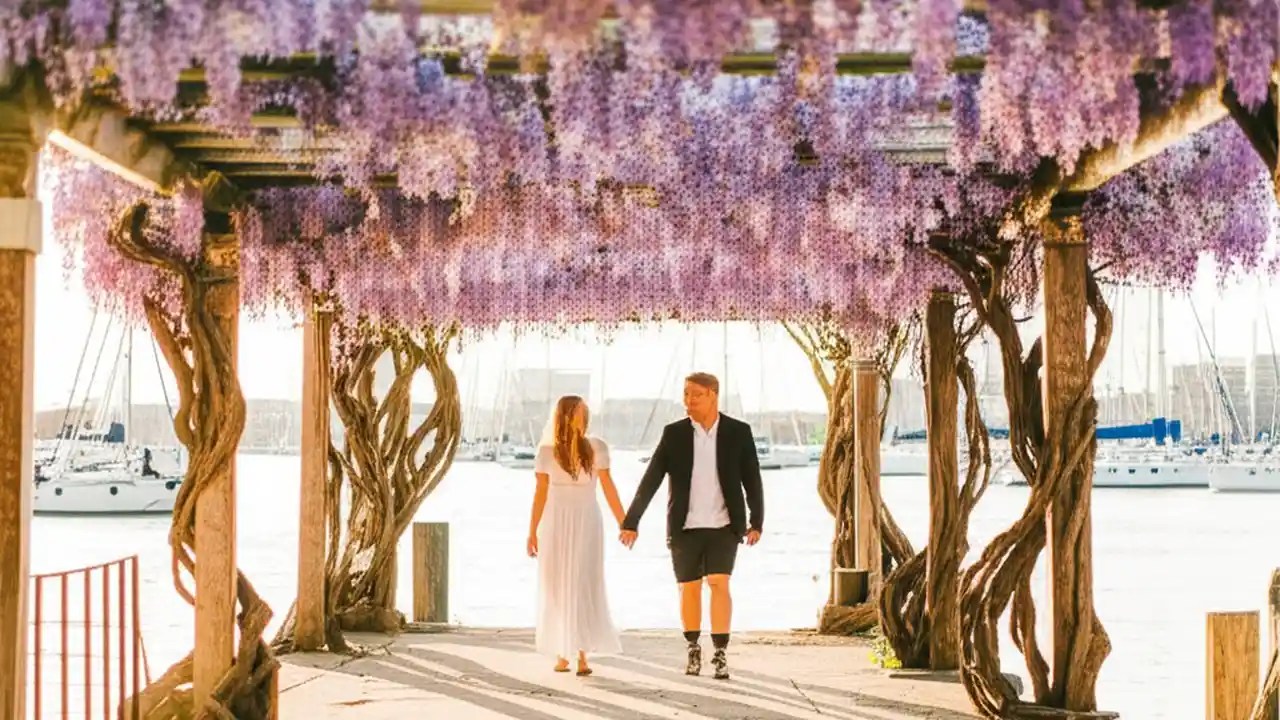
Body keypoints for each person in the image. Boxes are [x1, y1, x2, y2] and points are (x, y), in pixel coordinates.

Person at [619, 371, 764, 680]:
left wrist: (757, 521)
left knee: (719, 583)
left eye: (695, 394)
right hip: (685, 526)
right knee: (689, 588)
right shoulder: (674, 434)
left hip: (725, 525)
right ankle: (693, 648)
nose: (688, 400)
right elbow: (652, 478)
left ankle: (721, 653)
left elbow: (752, 478)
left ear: (713, 395)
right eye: (685, 394)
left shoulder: (738, 432)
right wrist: (631, 521)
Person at [526, 395, 627, 676]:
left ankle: (582, 654)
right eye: (577, 413)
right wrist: (532, 531)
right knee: (557, 583)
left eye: (585, 412)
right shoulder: (546, 452)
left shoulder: (597, 447)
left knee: (583, 581)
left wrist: (624, 522)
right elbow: (540, 495)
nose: (582, 417)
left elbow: (608, 487)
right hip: (555, 521)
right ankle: (562, 650)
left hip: (586, 519)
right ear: (565, 416)